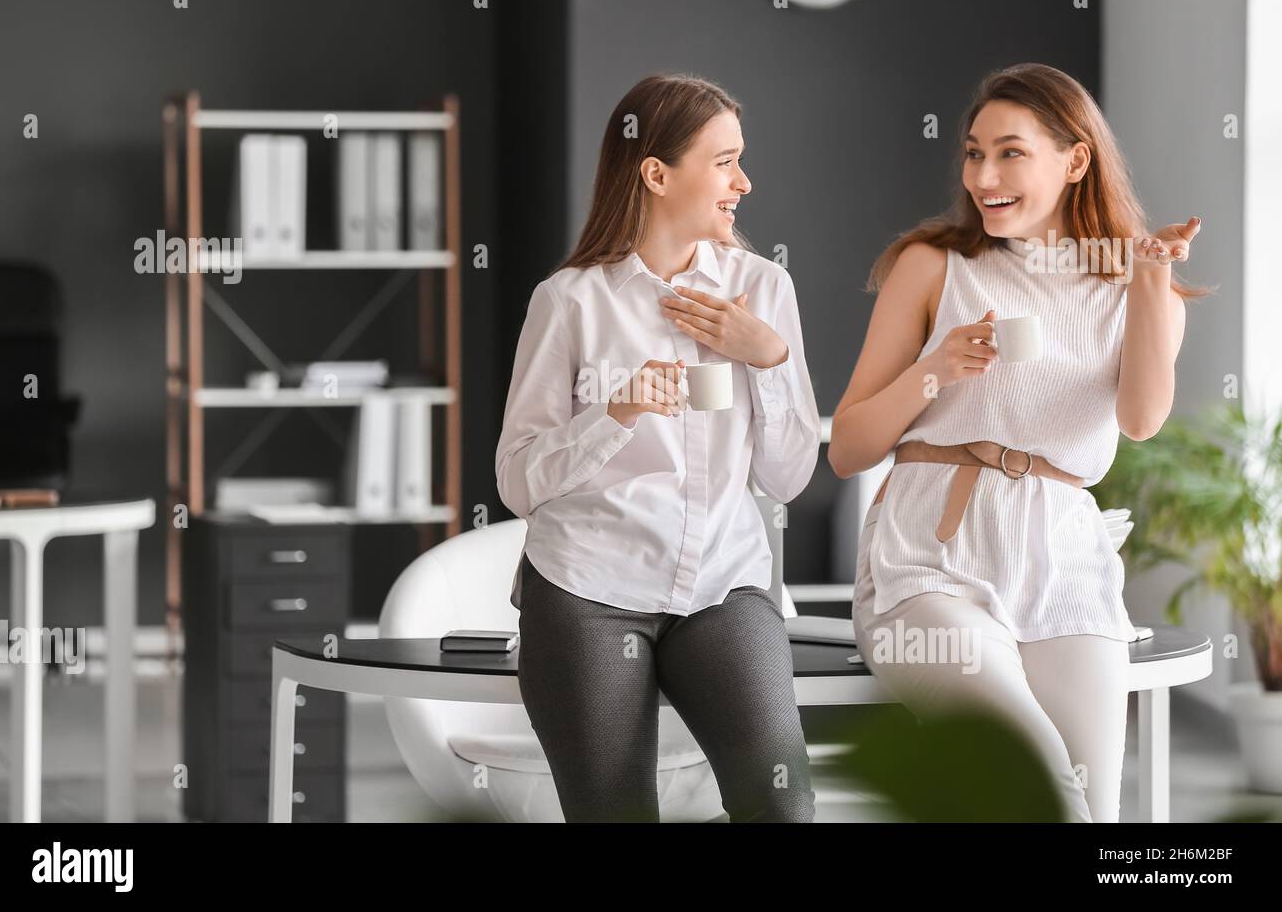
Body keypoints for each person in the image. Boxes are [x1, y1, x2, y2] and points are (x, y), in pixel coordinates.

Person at [829, 63, 1209, 822]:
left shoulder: (1142, 288)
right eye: (974, 153)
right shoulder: (932, 266)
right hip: (931, 567)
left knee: (1097, 812)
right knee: (1039, 789)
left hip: (1065, 572)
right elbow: (848, 449)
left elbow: (1139, 420)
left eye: (1010, 153)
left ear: (1075, 161)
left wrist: (1143, 287)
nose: (983, 176)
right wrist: (936, 370)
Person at [495, 74, 821, 822]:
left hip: (721, 585)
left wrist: (765, 357)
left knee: (784, 805)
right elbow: (517, 481)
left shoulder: (764, 291)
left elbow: (788, 476)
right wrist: (617, 411)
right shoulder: (571, 301)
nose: (744, 181)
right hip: (589, 592)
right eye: (725, 161)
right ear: (656, 173)